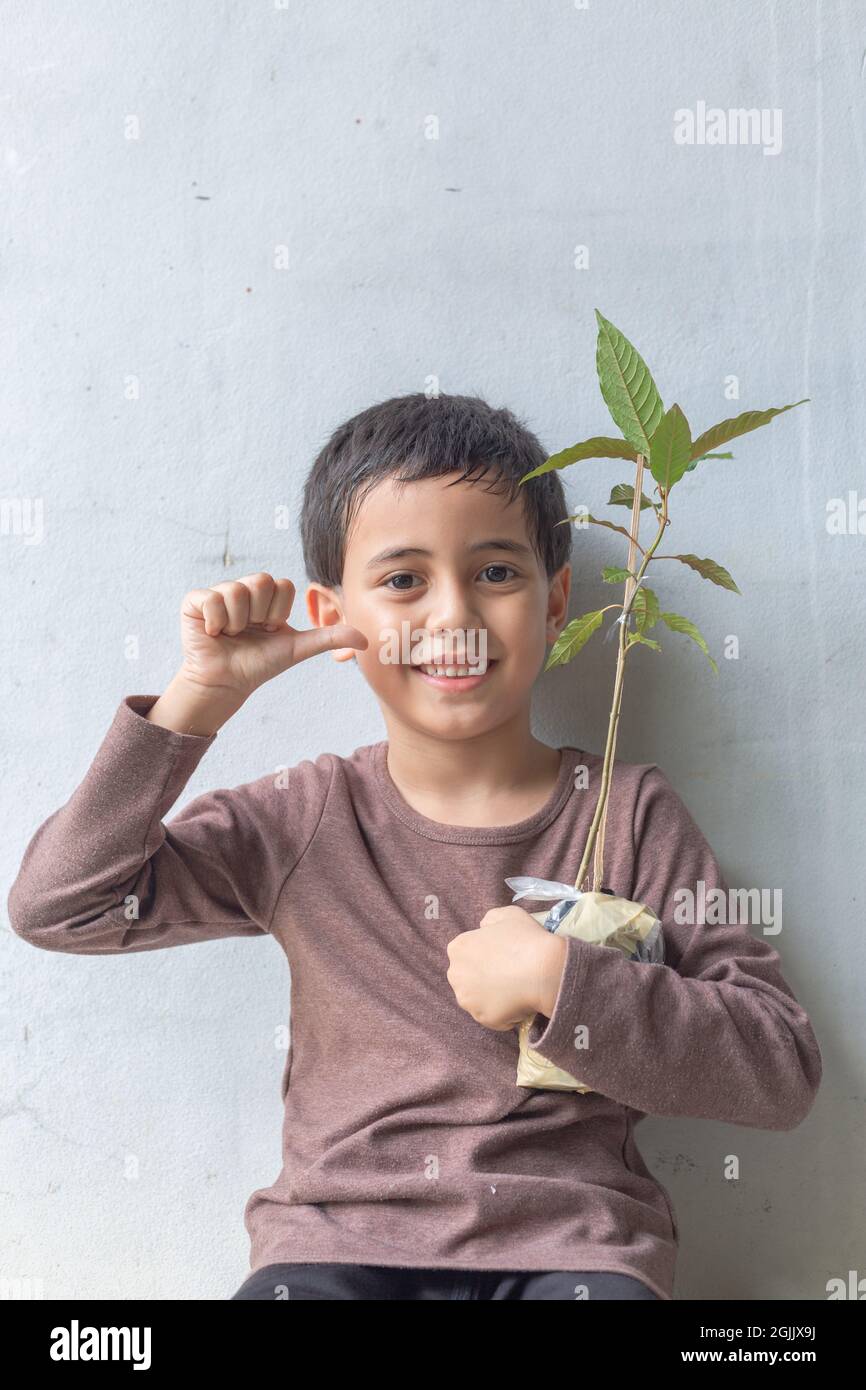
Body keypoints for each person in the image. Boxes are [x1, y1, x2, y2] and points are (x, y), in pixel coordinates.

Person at [7, 392, 822, 1301]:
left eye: (497, 573)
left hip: (574, 1254)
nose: (454, 615)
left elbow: (779, 1070)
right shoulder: (306, 815)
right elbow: (59, 904)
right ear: (334, 618)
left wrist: (565, 983)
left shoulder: (628, 813)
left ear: (556, 602)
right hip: (331, 1250)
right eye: (402, 581)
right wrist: (199, 699)